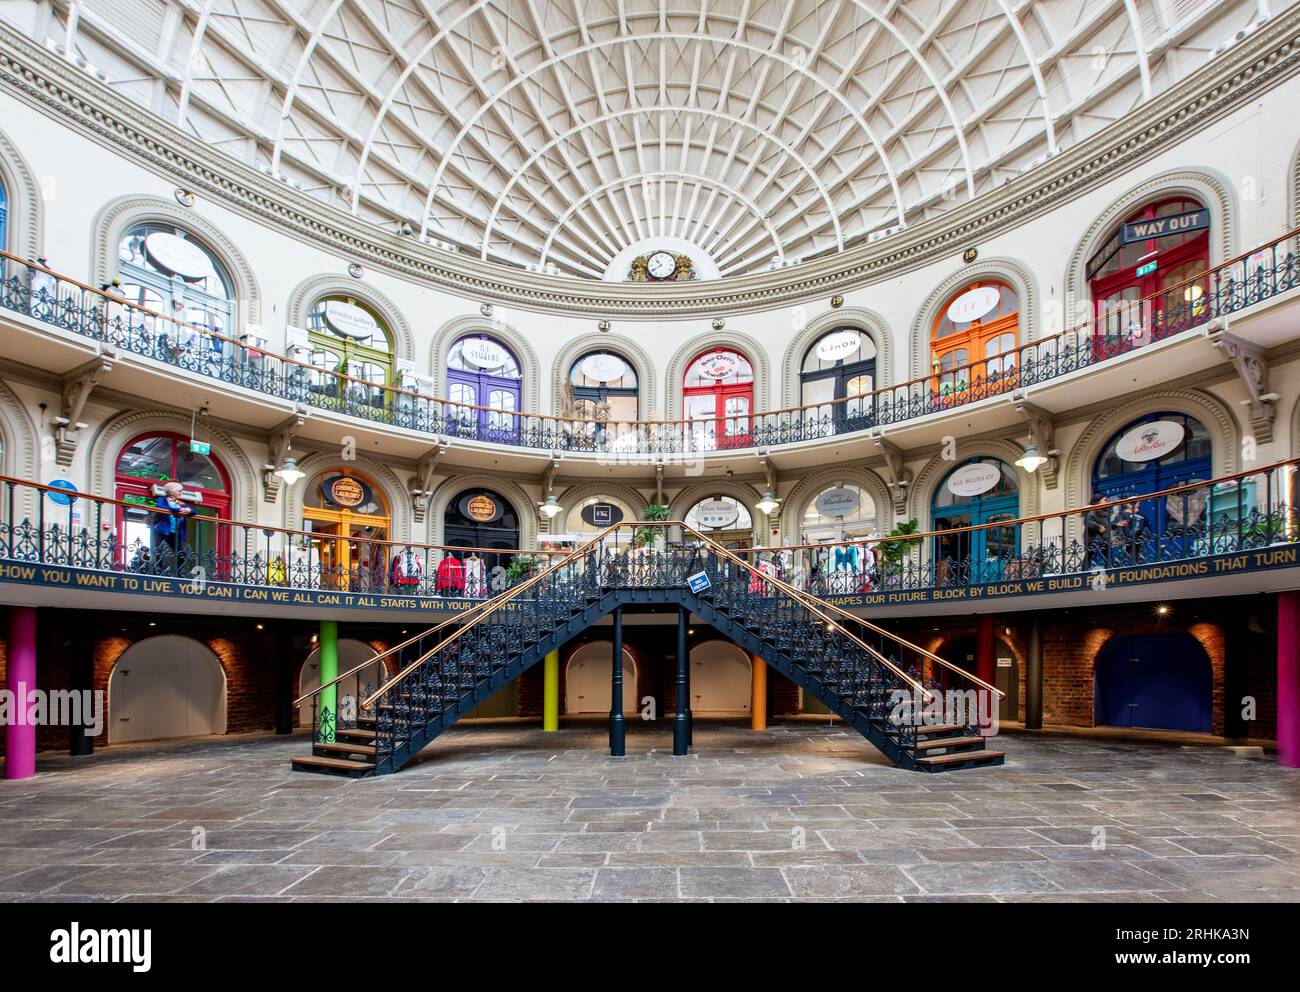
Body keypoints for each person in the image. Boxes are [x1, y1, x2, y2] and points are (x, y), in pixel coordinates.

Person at [150, 481, 193, 567]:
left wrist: (189, 510)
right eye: (179, 491)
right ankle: (158, 572)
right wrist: (177, 510)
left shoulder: (180, 503)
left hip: (174, 532)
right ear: (171, 492)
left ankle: (180, 574)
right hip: (161, 531)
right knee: (159, 551)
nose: (181, 493)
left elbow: (194, 512)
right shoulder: (162, 499)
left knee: (181, 554)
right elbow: (160, 507)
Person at [1083, 493, 1111, 567]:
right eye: (1104, 500)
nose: (1106, 501)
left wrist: (1117, 525)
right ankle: (1084, 572)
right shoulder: (1092, 511)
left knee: (1108, 556)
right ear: (1098, 501)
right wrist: (1098, 527)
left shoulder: (1104, 513)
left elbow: (1108, 525)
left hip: (1103, 539)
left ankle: (1110, 571)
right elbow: (1087, 522)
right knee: (1089, 556)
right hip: (1092, 538)